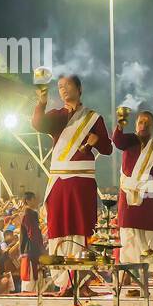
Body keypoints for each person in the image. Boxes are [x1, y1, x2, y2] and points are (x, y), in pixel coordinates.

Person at [31, 74, 110, 260]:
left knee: (83, 226)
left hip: (83, 181)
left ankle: (81, 281)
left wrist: (97, 140)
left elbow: (107, 148)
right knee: (59, 225)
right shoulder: (56, 116)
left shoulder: (93, 118)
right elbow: (37, 124)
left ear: (79, 88)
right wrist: (41, 103)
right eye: (59, 86)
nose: (63, 89)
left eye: (67, 85)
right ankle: (63, 280)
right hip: (59, 180)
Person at [112, 109, 153, 263]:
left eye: (147, 123)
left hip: (150, 193)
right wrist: (120, 125)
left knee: (152, 231)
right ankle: (128, 269)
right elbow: (117, 141)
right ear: (135, 125)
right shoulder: (130, 140)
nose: (143, 125)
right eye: (140, 122)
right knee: (128, 232)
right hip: (128, 192)